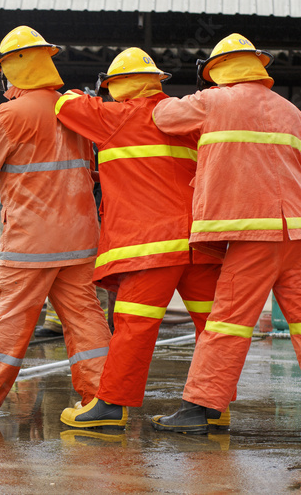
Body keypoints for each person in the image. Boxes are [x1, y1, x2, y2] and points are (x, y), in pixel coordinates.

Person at [149, 34, 301, 438]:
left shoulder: (214, 101)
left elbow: (164, 117)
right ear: (257, 66)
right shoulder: (292, 111)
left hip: (255, 236)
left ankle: (198, 409)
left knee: (228, 323)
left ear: (217, 71)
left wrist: (154, 93)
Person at [52, 48, 225, 429]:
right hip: (201, 245)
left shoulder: (115, 116)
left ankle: (111, 407)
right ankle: (213, 408)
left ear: (116, 86)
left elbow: (64, 105)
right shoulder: (185, 117)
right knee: (212, 329)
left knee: (134, 326)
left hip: (153, 249)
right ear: (155, 81)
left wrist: (86, 94)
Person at [0, 26, 111, 419]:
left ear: (14, 68)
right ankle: (104, 402)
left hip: (30, 242)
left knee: (7, 322)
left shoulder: (9, 114)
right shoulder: (73, 110)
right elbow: (90, 172)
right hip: (80, 239)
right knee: (86, 321)